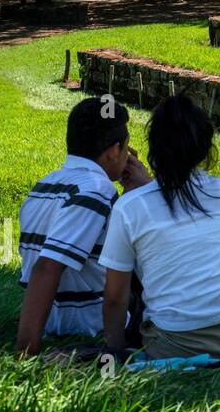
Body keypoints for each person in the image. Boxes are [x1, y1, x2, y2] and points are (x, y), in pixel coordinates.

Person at [100, 95, 220, 363]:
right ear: (205, 148)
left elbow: (116, 298)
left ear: (153, 150)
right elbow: (181, 216)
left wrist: (113, 352)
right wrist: (148, 187)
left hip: (177, 346)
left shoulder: (129, 207)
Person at [15, 98, 150, 356]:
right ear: (113, 151)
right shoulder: (96, 191)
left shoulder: (45, 185)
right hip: (89, 324)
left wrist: (137, 193)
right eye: (126, 148)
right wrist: (26, 351)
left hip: (54, 320)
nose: (129, 156)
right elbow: (48, 266)